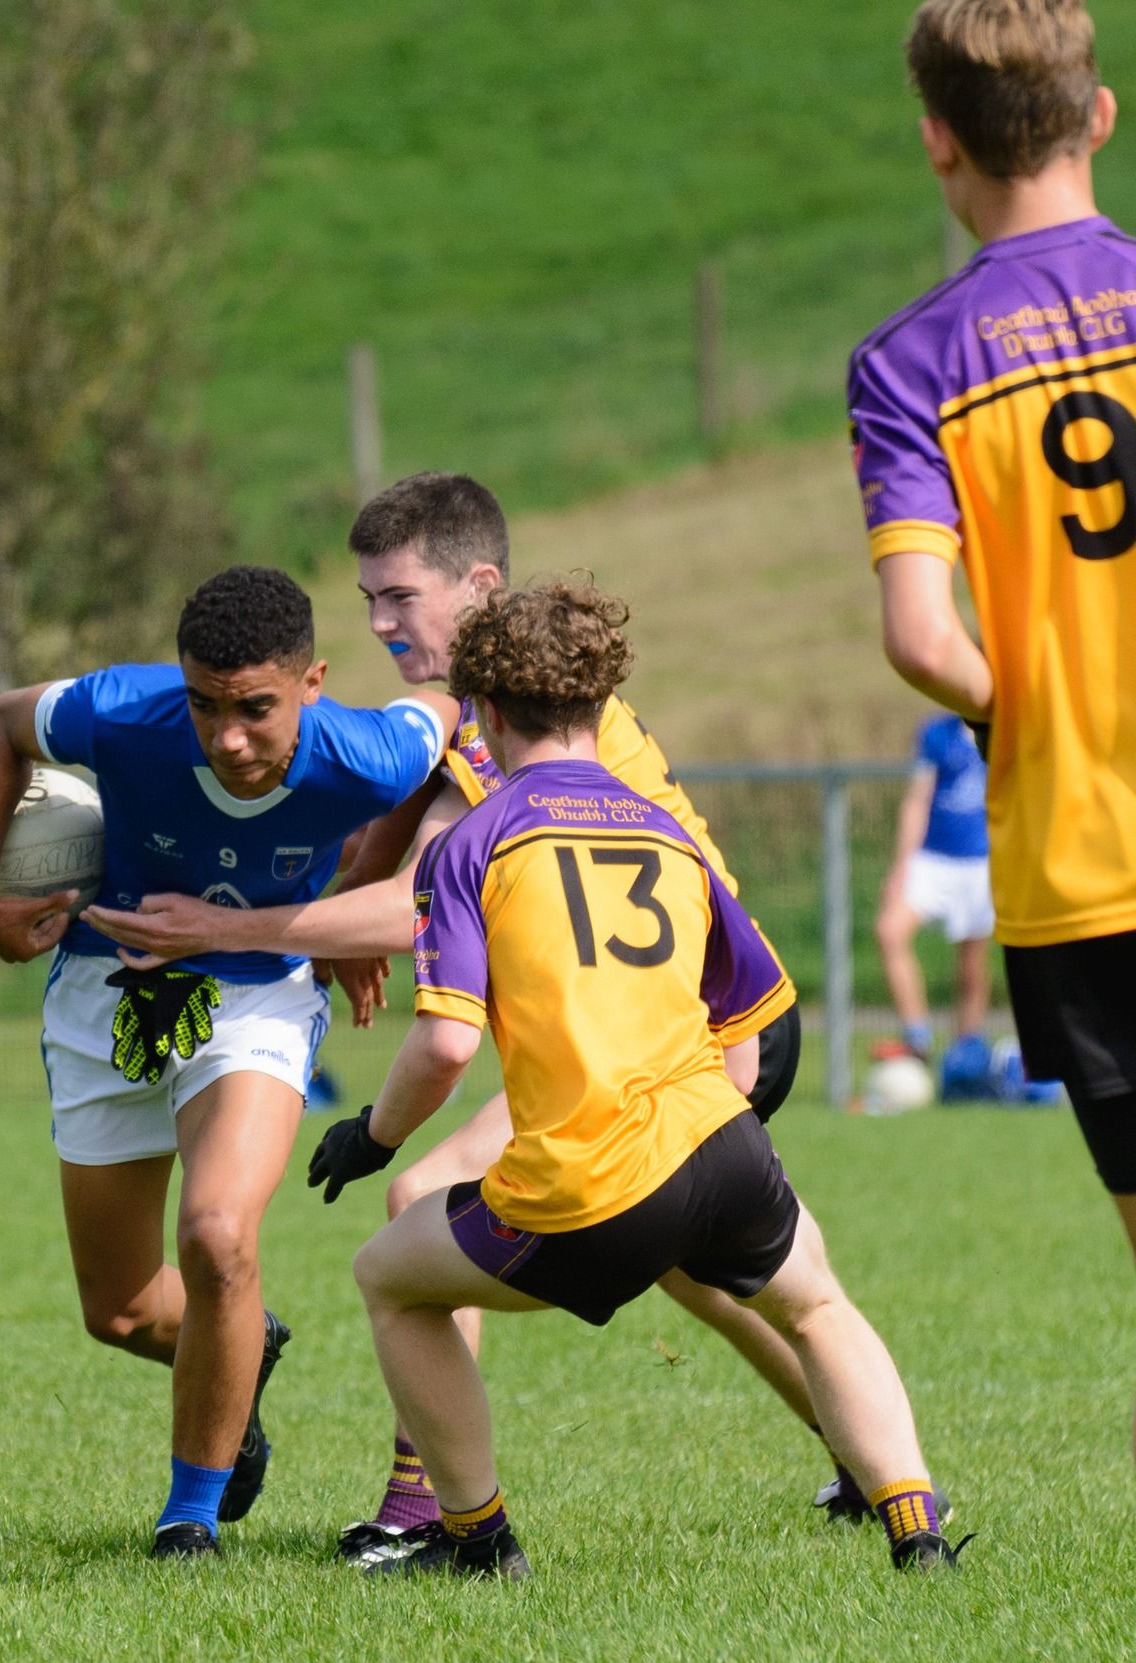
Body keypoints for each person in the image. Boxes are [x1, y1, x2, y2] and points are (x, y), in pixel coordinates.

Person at [85, 475, 897, 1556]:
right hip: (671, 1015)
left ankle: (432, 1511)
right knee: (695, 1265)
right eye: (367, 598)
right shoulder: (486, 703)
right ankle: (868, 1465)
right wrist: (347, 934)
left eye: (399, 596)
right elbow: (398, 847)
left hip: (697, 1019)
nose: (379, 622)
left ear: (479, 586)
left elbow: (415, 891)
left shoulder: (515, 713)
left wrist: (239, 929)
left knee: (424, 1189)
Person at [305, 581, 960, 1576]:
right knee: (818, 1303)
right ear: (598, 698)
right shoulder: (669, 831)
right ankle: (919, 1531)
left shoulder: (478, 839)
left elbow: (443, 1045)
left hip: (583, 1181)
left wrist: (374, 1137)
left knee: (389, 1275)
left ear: (480, 707)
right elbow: (751, 1016)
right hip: (722, 1143)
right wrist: (722, 1140)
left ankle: (477, 1539)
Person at [0, 566, 453, 1557]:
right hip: (106, 989)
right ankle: (240, 1345)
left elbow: (453, 710)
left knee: (220, 1234)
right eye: (206, 706)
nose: (228, 737)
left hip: (256, 991)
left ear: (312, 682)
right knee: (125, 1310)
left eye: (257, 710)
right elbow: (5, 723)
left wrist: (356, 907)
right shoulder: (127, 712)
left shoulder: (368, 754)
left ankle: (189, 1520)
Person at [848, 1, 1136, 1316]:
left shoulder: (911, 362)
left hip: (1078, 865)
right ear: (1096, 115)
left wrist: (1030, 717)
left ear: (935, 144)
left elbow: (921, 639)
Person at [876, 712, 993, 1062]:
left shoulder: (1003, 727)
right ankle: (917, 1037)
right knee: (890, 932)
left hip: (981, 862)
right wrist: (901, 867)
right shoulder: (937, 734)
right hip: (932, 859)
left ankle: (966, 1051)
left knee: (972, 963)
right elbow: (917, 800)